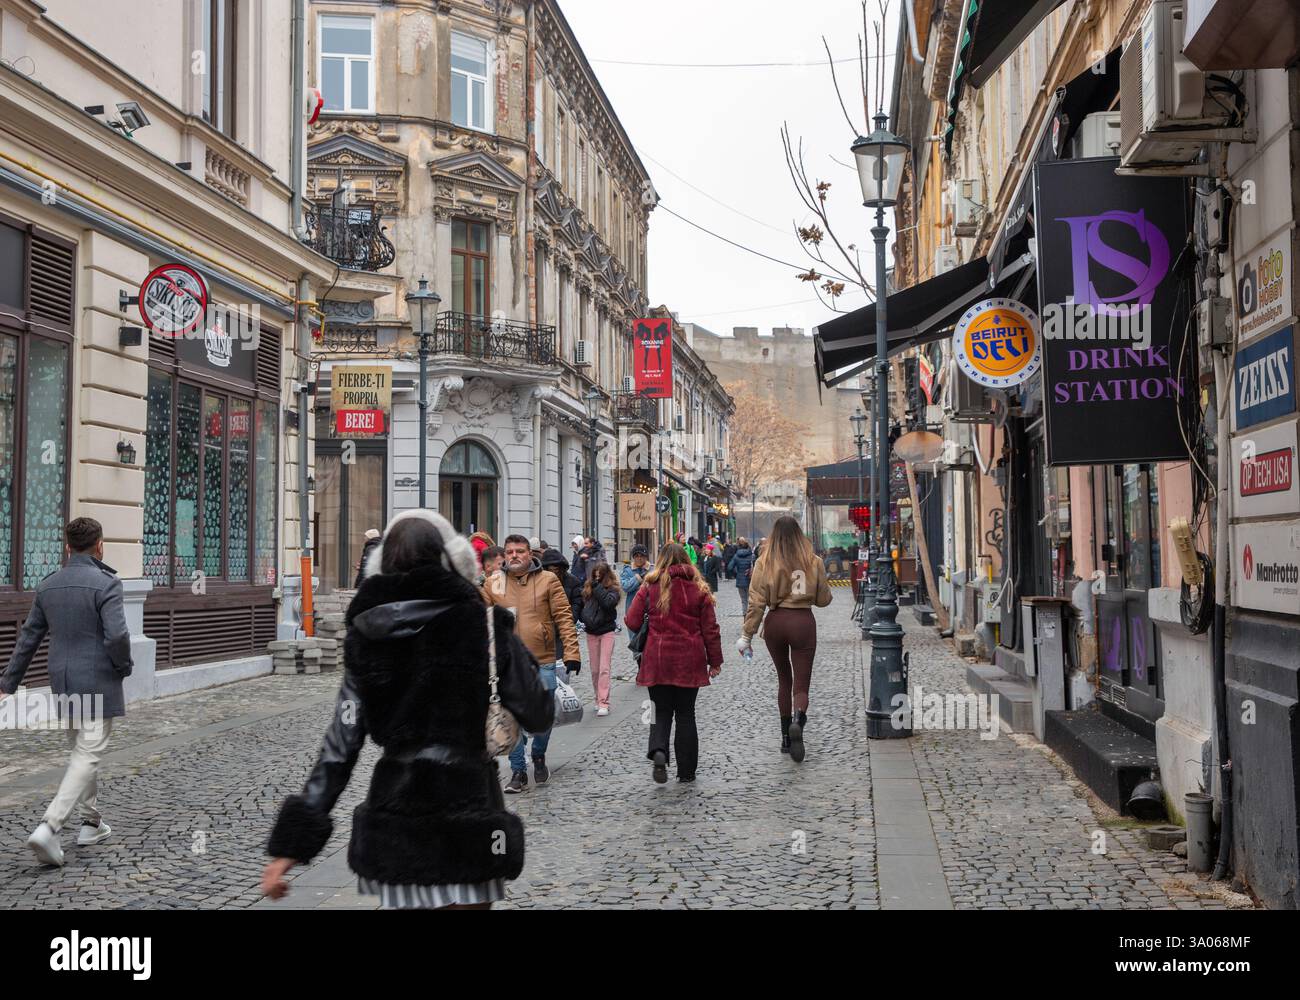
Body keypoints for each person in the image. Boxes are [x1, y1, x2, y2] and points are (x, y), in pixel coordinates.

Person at [261, 510, 553, 910]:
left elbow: (339, 747)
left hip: (396, 827)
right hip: (470, 816)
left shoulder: (366, 636)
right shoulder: (483, 626)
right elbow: (538, 713)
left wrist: (289, 849)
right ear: (452, 560)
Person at [0, 517, 132, 867]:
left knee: (80, 751)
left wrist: (7, 683)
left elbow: (28, 637)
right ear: (100, 545)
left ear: (67, 547)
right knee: (86, 755)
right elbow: (117, 636)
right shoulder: (107, 583)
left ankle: (91, 823)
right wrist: (124, 667)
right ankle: (50, 826)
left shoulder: (49, 586)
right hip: (99, 678)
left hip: (64, 680)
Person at [486, 535, 582, 793]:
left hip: (543, 658)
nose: (514, 555)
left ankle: (538, 753)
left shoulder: (548, 580)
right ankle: (518, 771)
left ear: (530, 555)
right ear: (504, 556)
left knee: (545, 712)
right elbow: (479, 619)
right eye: (509, 551)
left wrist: (572, 652)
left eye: (519, 551)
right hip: (507, 663)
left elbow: (563, 617)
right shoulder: (494, 583)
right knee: (511, 716)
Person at [624, 543, 722, 784]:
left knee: (660, 710)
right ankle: (686, 771)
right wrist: (715, 661)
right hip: (690, 659)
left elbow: (631, 620)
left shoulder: (650, 585)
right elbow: (711, 629)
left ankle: (659, 750)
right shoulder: (699, 588)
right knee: (686, 714)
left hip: (657, 659)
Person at [737, 517, 832, 763]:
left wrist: (747, 634)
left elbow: (756, 602)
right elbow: (824, 600)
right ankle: (799, 720)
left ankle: (785, 739)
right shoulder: (814, 561)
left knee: (783, 679)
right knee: (801, 685)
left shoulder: (764, 562)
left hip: (776, 622)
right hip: (803, 623)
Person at [579, 563, 621, 716]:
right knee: (595, 669)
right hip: (591, 631)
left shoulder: (613, 590)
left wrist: (597, 587)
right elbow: (583, 606)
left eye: (600, 574)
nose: (597, 577)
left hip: (606, 631)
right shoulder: (588, 588)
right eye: (595, 574)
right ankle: (597, 698)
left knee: (604, 668)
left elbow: (608, 603)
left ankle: (604, 701)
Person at [540, 546, 583, 625]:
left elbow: (576, 603)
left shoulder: (573, 582)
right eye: (550, 570)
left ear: (561, 569)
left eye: (556, 570)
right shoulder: (539, 581)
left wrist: (570, 620)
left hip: (565, 623)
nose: (553, 573)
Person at [728, 538, 756, 617]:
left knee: (744, 600)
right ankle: (751, 617)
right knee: (751, 600)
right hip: (750, 580)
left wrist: (736, 574)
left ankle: (745, 616)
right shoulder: (752, 556)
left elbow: (730, 567)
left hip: (740, 581)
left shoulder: (736, 556)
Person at [620, 544, 650, 613]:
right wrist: (637, 579)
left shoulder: (652, 569)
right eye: (636, 556)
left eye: (642, 556)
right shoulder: (627, 570)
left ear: (646, 557)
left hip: (649, 609)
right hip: (632, 609)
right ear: (633, 558)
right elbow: (625, 587)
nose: (639, 558)